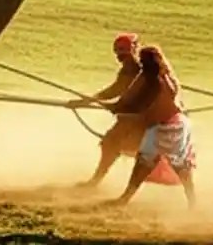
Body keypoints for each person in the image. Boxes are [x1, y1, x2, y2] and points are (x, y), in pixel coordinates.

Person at [106, 45, 197, 209]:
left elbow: (134, 102)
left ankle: (125, 198)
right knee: (168, 163)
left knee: (154, 163)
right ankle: (192, 201)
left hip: (166, 127)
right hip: (175, 124)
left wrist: (114, 107)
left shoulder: (151, 81)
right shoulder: (167, 76)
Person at [68, 33, 143, 187]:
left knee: (111, 144)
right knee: (112, 144)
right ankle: (97, 181)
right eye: (117, 52)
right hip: (131, 118)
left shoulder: (135, 69)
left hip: (138, 120)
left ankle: (96, 182)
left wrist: (87, 101)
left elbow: (115, 91)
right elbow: (116, 91)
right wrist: (87, 101)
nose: (119, 56)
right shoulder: (132, 68)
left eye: (122, 53)